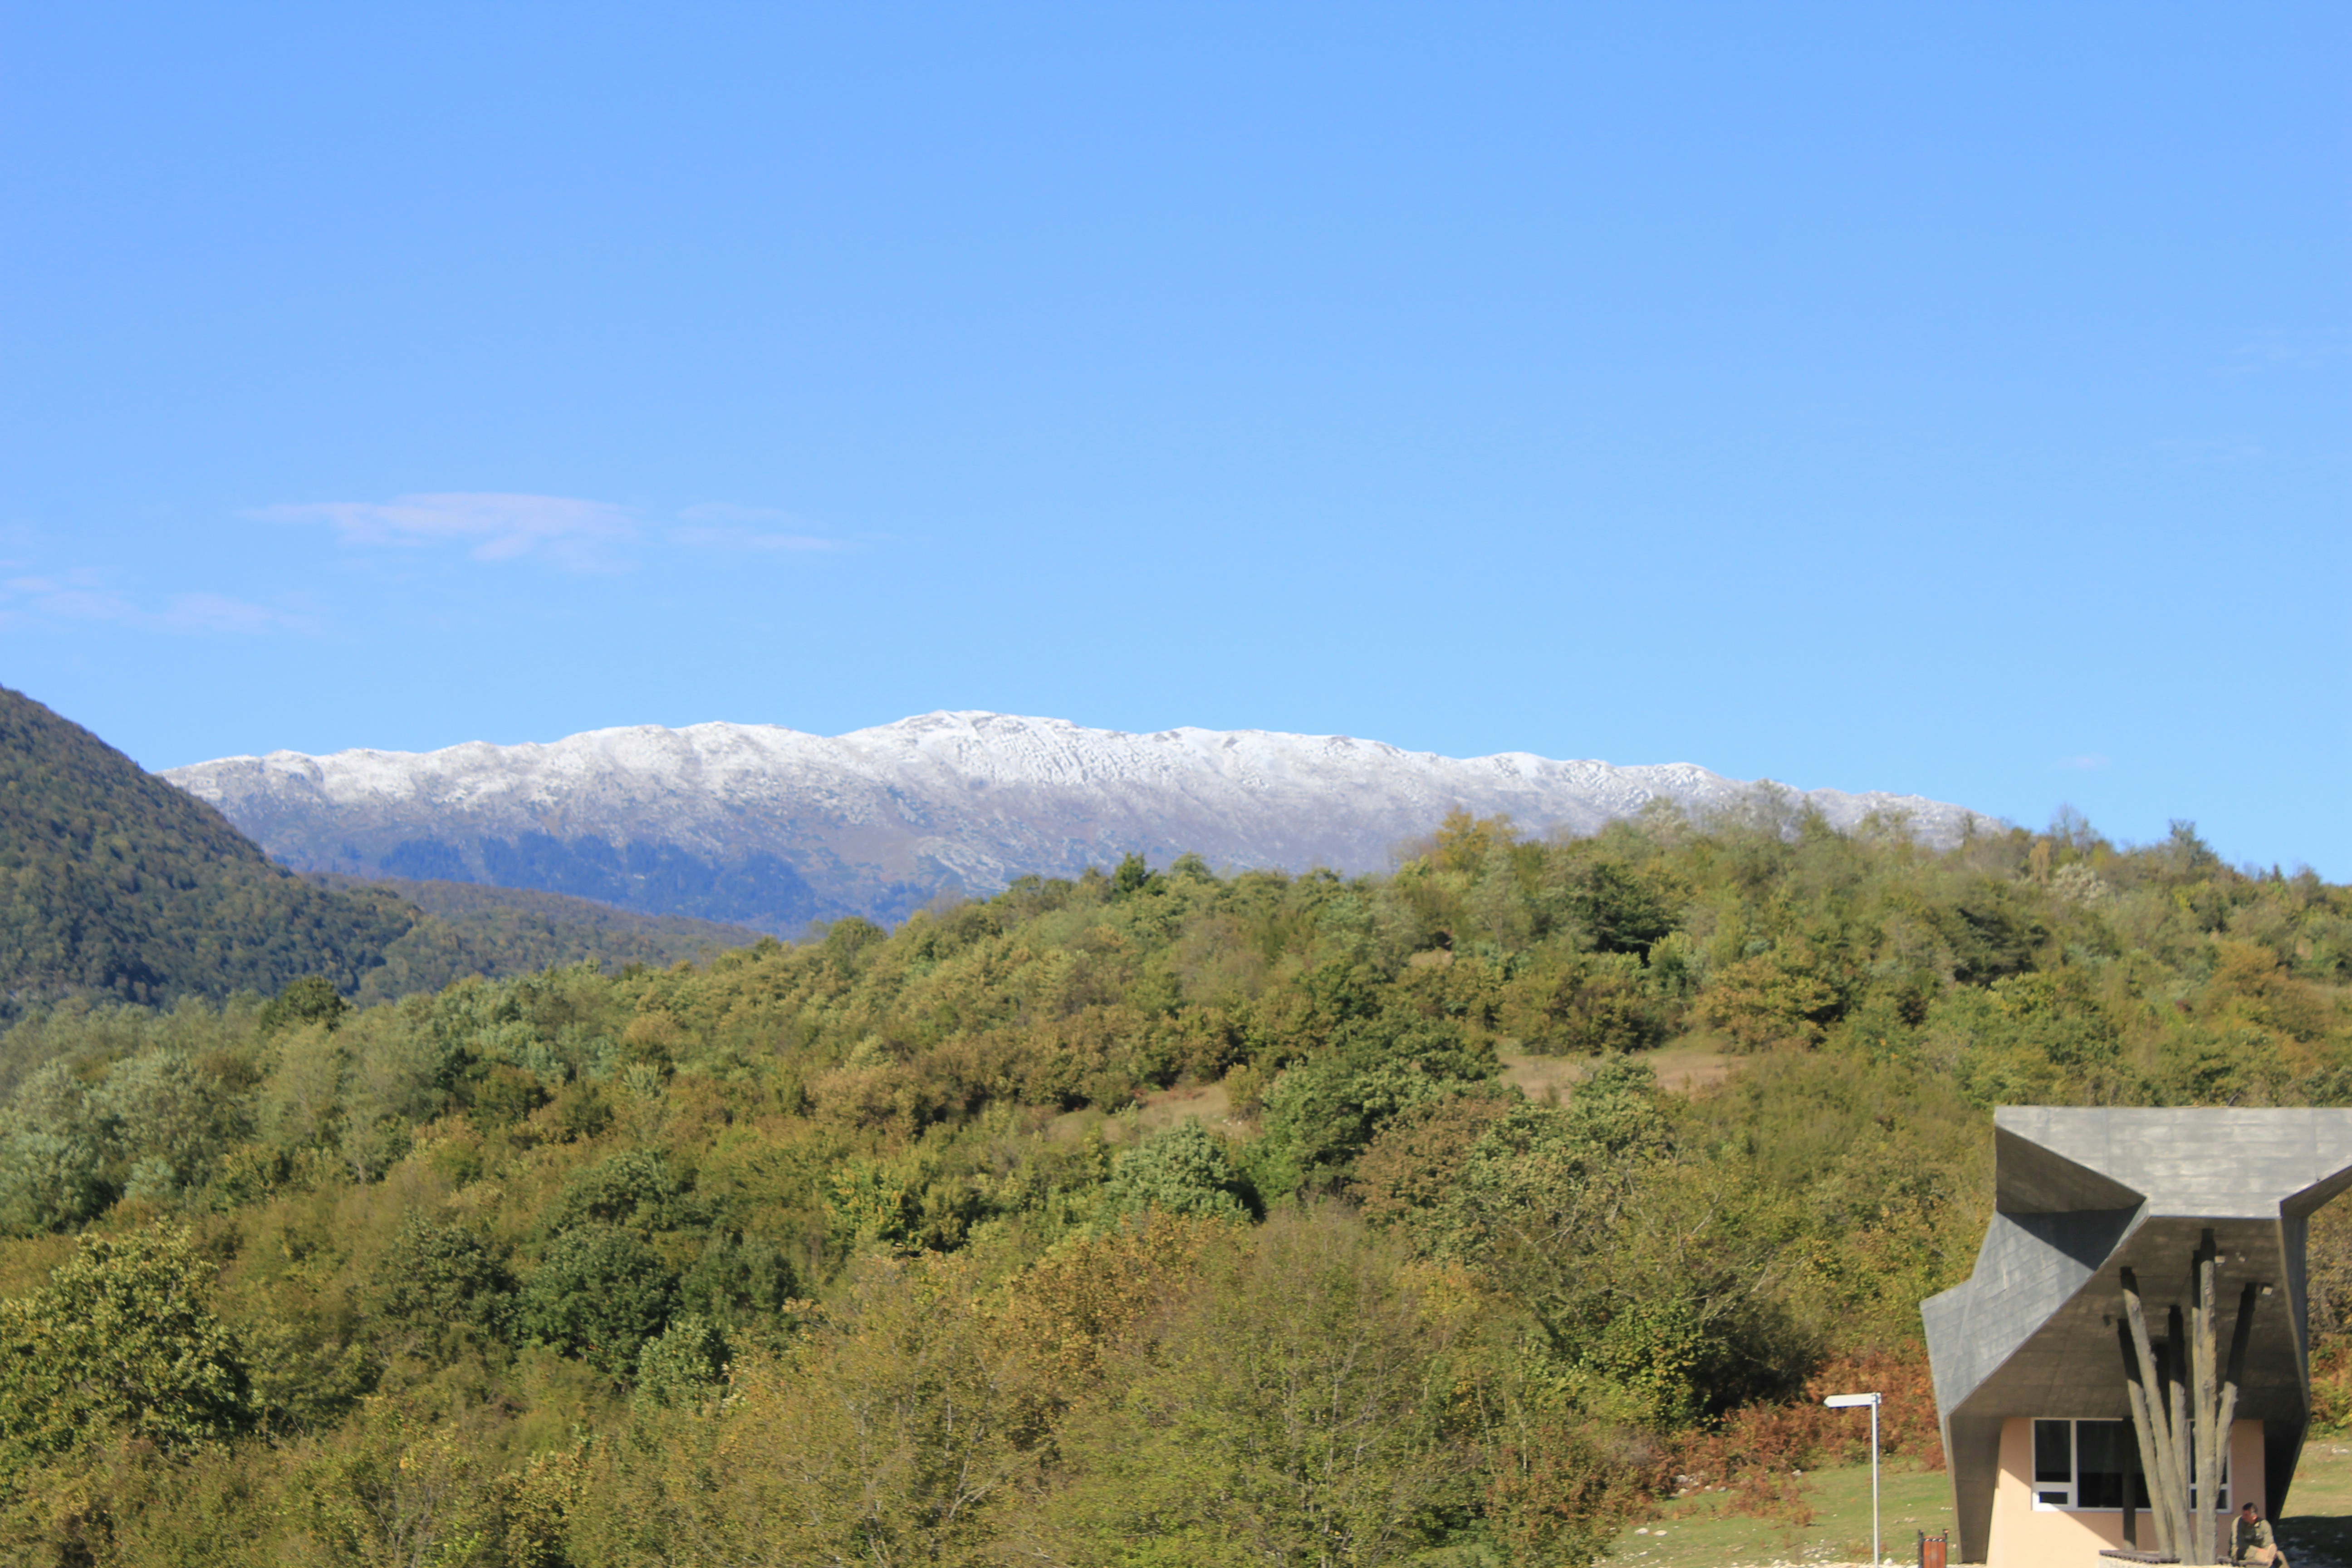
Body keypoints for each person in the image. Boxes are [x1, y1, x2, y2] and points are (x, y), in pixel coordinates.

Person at [2234, 1500, 2285, 1566]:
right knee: (2260, 1557)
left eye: (2246, 1515)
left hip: (2262, 1552)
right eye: (2243, 1514)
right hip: (2242, 1551)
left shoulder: (2264, 1524)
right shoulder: (2239, 1523)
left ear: (2254, 1517)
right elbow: (2240, 1544)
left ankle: (2269, 1560)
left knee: (2280, 1555)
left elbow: (2269, 1543)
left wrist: (2269, 1551)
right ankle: (2267, 1561)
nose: (2243, 1517)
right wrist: (2258, 1550)